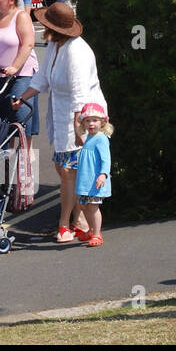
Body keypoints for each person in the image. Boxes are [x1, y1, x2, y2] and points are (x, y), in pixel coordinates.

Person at [10, 1, 106, 243]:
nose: (43, 28)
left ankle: (67, 225)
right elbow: (42, 78)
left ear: (56, 29)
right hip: (63, 113)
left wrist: (77, 129)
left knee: (69, 172)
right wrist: (22, 97)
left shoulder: (77, 51)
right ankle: (78, 222)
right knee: (66, 171)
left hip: (83, 116)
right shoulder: (55, 45)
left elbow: (80, 93)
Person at [0, 0, 40, 135]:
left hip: (21, 74)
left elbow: (28, 44)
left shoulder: (21, 17)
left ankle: (25, 153)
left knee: (20, 116)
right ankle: (4, 154)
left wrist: (14, 66)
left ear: (12, 0)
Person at [74, 101, 112, 247]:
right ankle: (91, 230)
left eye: (95, 120)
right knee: (83, 205)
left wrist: (103, 174)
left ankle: (97, 234)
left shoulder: (101, 139)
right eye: (88, 121)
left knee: (93, 207)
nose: (91, 124)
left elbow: (106, 159)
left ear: (102, 122)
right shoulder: (90, 137)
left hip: (95, 180)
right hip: (85, 180)